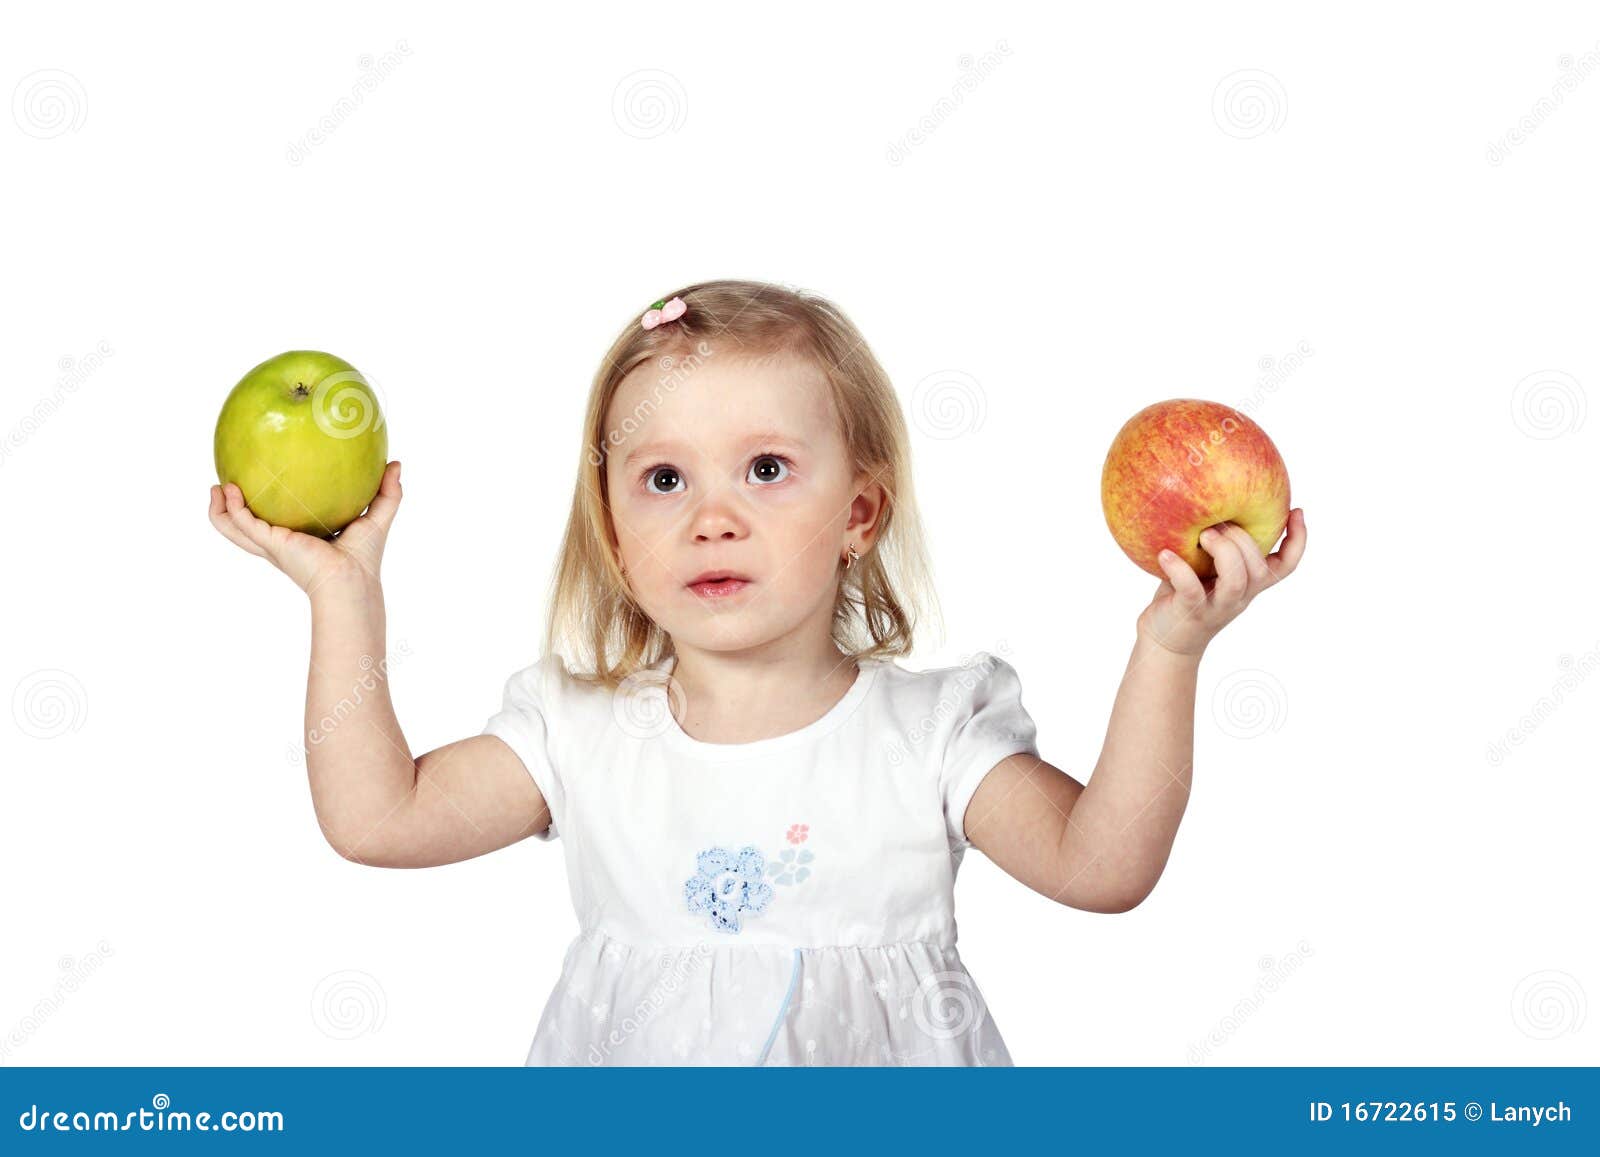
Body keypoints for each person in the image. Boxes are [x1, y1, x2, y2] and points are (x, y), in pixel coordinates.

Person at [207, 279, 1307, 1065]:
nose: (713, 516)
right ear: (613, 530)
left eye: (767, 468)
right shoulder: (578, 731)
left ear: (858, 514)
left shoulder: (929, 733)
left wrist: (1170, 648)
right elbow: (376, 818)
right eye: (664, 477)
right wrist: (343, 596)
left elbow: (1101, 865)